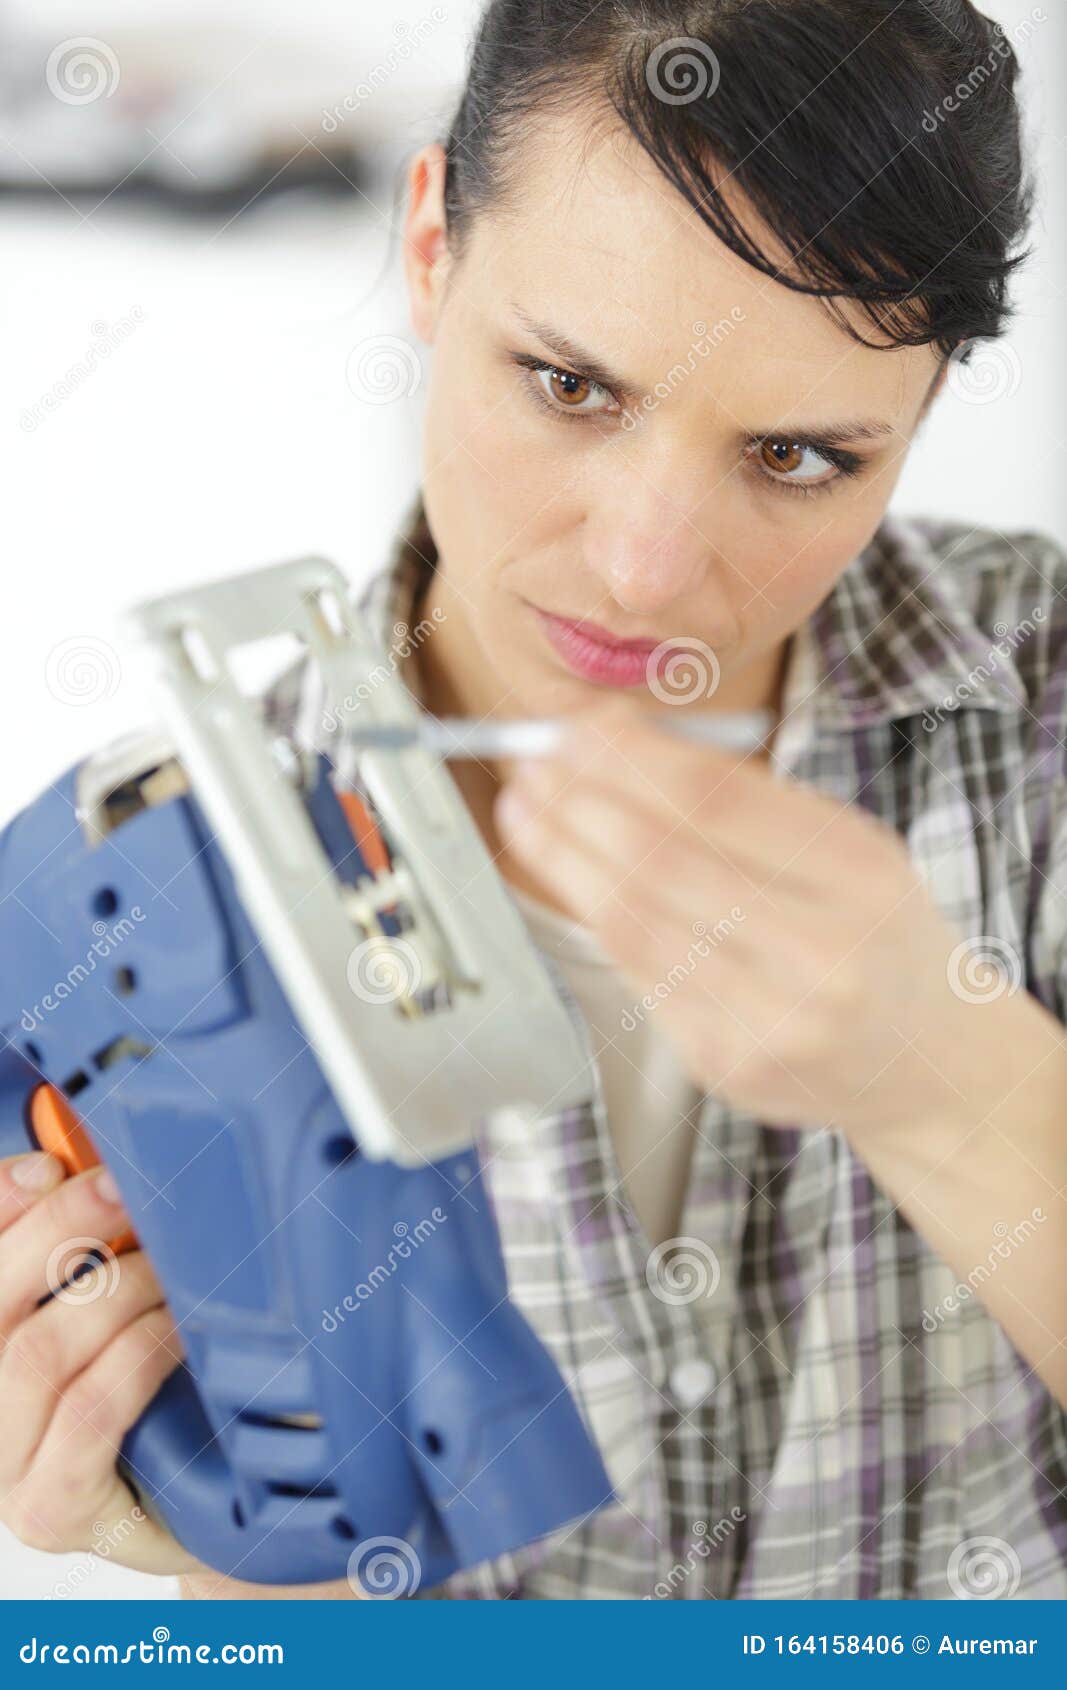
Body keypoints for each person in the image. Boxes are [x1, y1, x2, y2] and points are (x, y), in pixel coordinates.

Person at [2, 0, 1064, 1601]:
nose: (644, 570)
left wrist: (957, 1083)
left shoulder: (1040, 708)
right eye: (571, 384)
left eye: (796, 455)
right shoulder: (148, 898)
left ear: (923, 409)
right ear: (431, 245)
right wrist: (208, 1555)